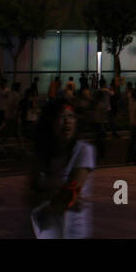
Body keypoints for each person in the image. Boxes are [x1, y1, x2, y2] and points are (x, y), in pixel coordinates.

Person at [30, 101, 95, 238]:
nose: (67, 122)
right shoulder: (43, 152)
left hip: (72, 230)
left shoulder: (83, 150)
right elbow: (31, 195)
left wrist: (48, 197)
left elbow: (70, 195)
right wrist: (57, 196)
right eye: (61, 117)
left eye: (71, 116)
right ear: (50, 122)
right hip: (45, 230)